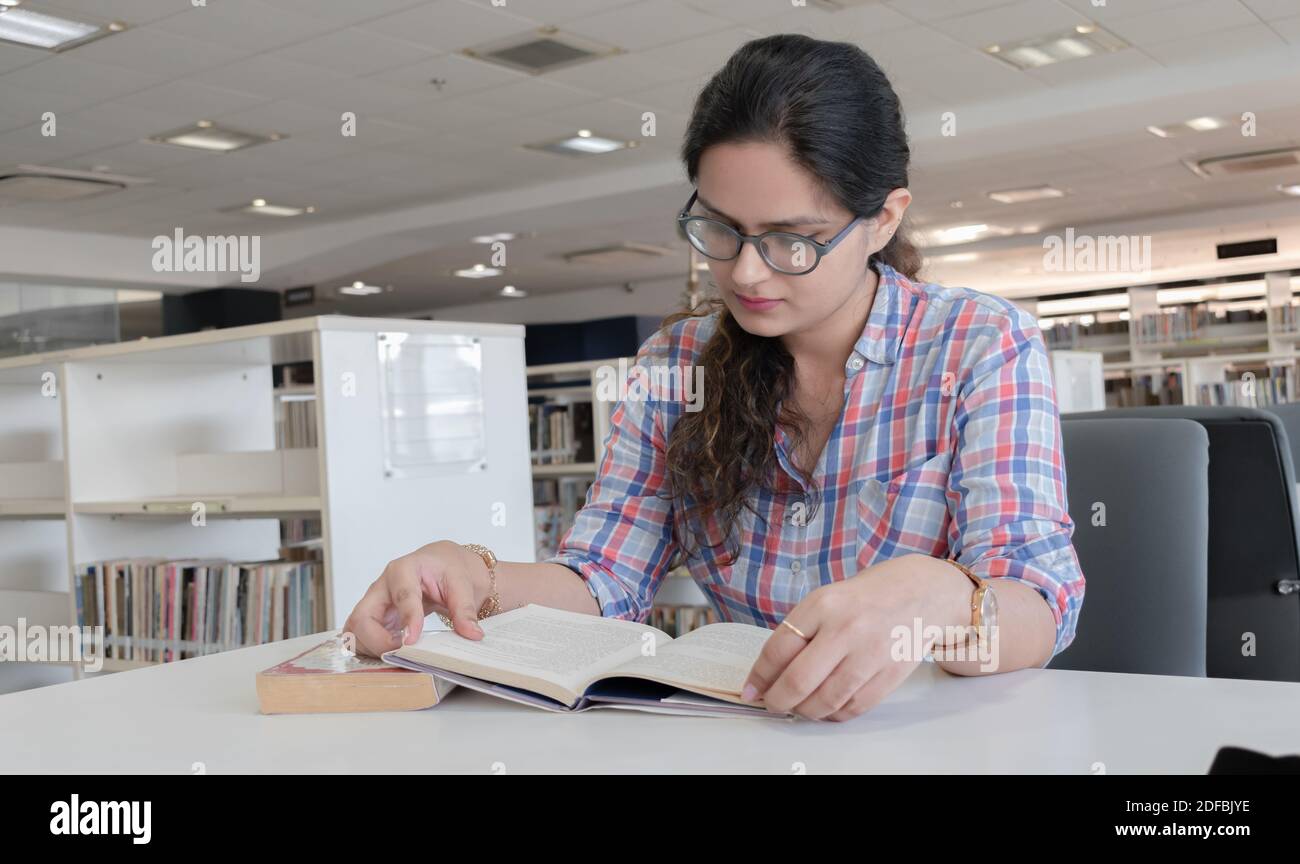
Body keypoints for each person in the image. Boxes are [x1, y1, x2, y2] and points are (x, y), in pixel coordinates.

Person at [344, 33, 1085, 722]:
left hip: (924, 734)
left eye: (794, 240)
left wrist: (940, 594)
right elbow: (604, 580)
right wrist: (475, 576)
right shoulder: (675, 366)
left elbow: (1042, 611)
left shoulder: (979, 344)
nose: (746, 272)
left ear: (885, 220)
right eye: (720, 229)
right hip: (740, 730)